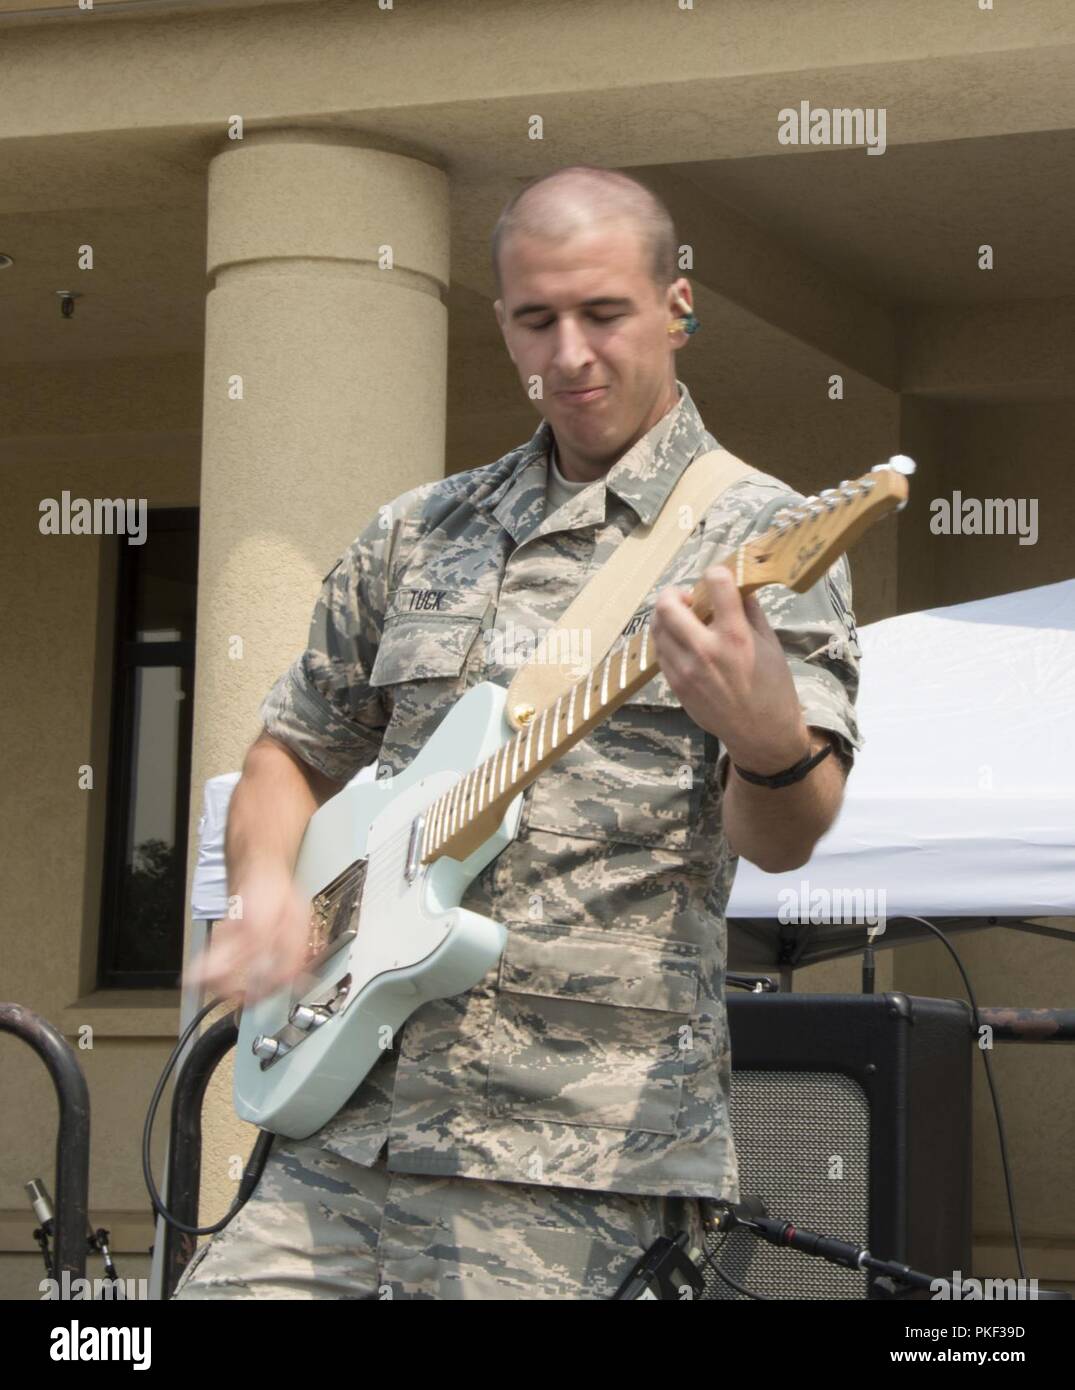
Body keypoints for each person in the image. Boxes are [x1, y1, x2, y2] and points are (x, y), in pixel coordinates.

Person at [174, 165, 861, 1300]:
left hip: (575, 1168)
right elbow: (291, 752)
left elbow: (788, 834)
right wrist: (264, 893)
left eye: (604, 313)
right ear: (500, 324)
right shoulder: (417, 533)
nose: (571, 353)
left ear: (678, 307)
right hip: (337, 1137)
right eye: (537, 319)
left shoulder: (762, 537)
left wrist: (765, 737)